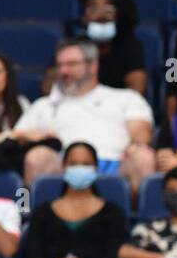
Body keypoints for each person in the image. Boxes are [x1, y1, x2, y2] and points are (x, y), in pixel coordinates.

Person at [12, 38, 155, 191]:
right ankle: (38, 214)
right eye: (60, 65)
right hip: (63, 167)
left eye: (71, 64)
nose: (64, 71)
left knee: (143, 156)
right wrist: (32, 137)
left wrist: (136, 145)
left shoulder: (125, 97)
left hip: (115, 165)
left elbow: (141, 131)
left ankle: (138, 214)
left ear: (92, 66)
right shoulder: (43, 105)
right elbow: (14, 137)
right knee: (37, 157)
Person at [19, 141, 127, 258]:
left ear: (96, 168)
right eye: (73, 164)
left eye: (86, 164)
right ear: (63, 167)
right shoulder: (42, 212)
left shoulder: (113, 213)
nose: (80, 168)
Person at [73, 0, 147, 97]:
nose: (101, 15)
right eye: (93, 9)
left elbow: (137, 92)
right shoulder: (74, 46)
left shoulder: (130, 46)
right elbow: (48, 88)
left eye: (108, 9)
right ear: (84, 18)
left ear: (117, 16)